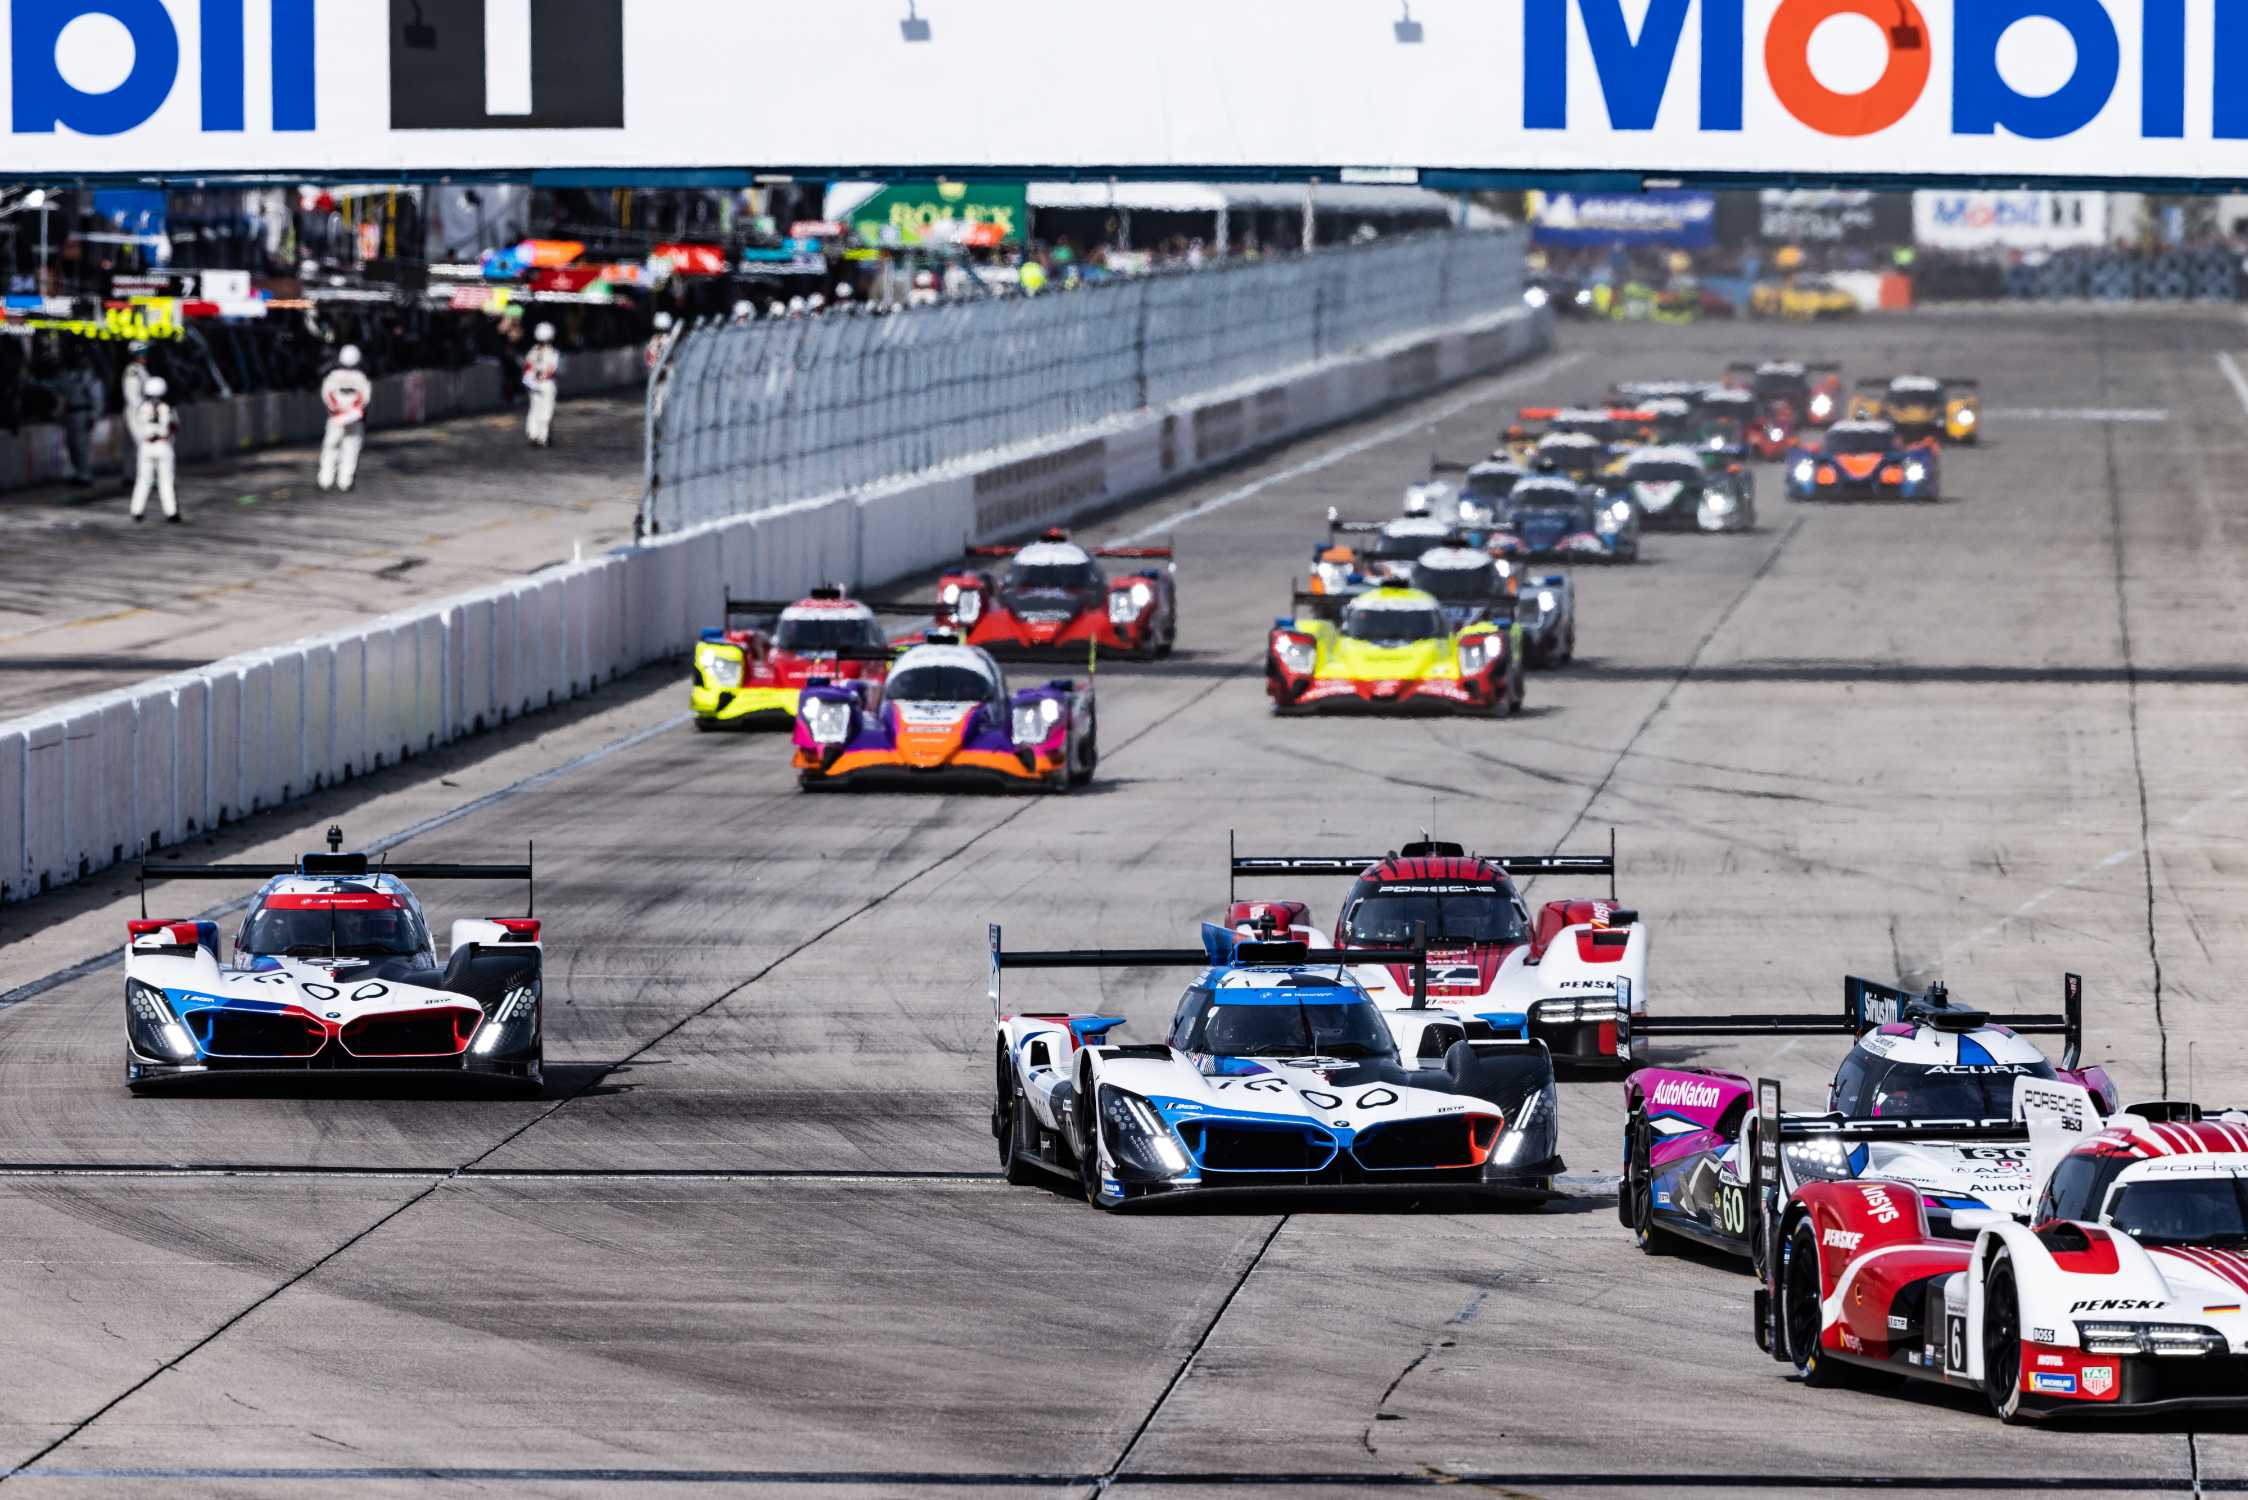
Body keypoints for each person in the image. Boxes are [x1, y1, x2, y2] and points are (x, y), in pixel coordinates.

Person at [318, 344, 372, 492]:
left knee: (330, 447)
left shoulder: (332, 377)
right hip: (353, 418)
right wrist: (352, 411)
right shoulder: (361, 378)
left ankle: (325, 480)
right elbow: (365, 398)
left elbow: (327, 395)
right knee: (351, 449)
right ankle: (345, 481)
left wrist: (337, 411)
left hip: (336, 417)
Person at [129, 376, 180, 523]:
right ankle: (171, 512)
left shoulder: (141, 408)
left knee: (143, 480)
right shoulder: (168, 407)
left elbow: (137, 426)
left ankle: (136, 511)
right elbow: (175, 426)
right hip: (163, 445)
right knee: (166, 481)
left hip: (146, 445)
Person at [58, 353, 103, 485]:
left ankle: (85, 475)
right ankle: (76, 473)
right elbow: (61, 392)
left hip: (83, 413)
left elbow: (97, 398)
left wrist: (94, 416)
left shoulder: (90, 377)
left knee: (82, 446)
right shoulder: (69, 376)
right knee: (71, 446)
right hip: (70, 413)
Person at [522, 322, 560, 447]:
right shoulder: (553, 352)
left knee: (534, 409)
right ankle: (543, 437)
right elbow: (553, 369)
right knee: (546, 411)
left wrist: (533, 379)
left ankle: (533, 434)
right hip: (547, 383)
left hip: (533, 384)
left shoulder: (532, 351)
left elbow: (527, 367)